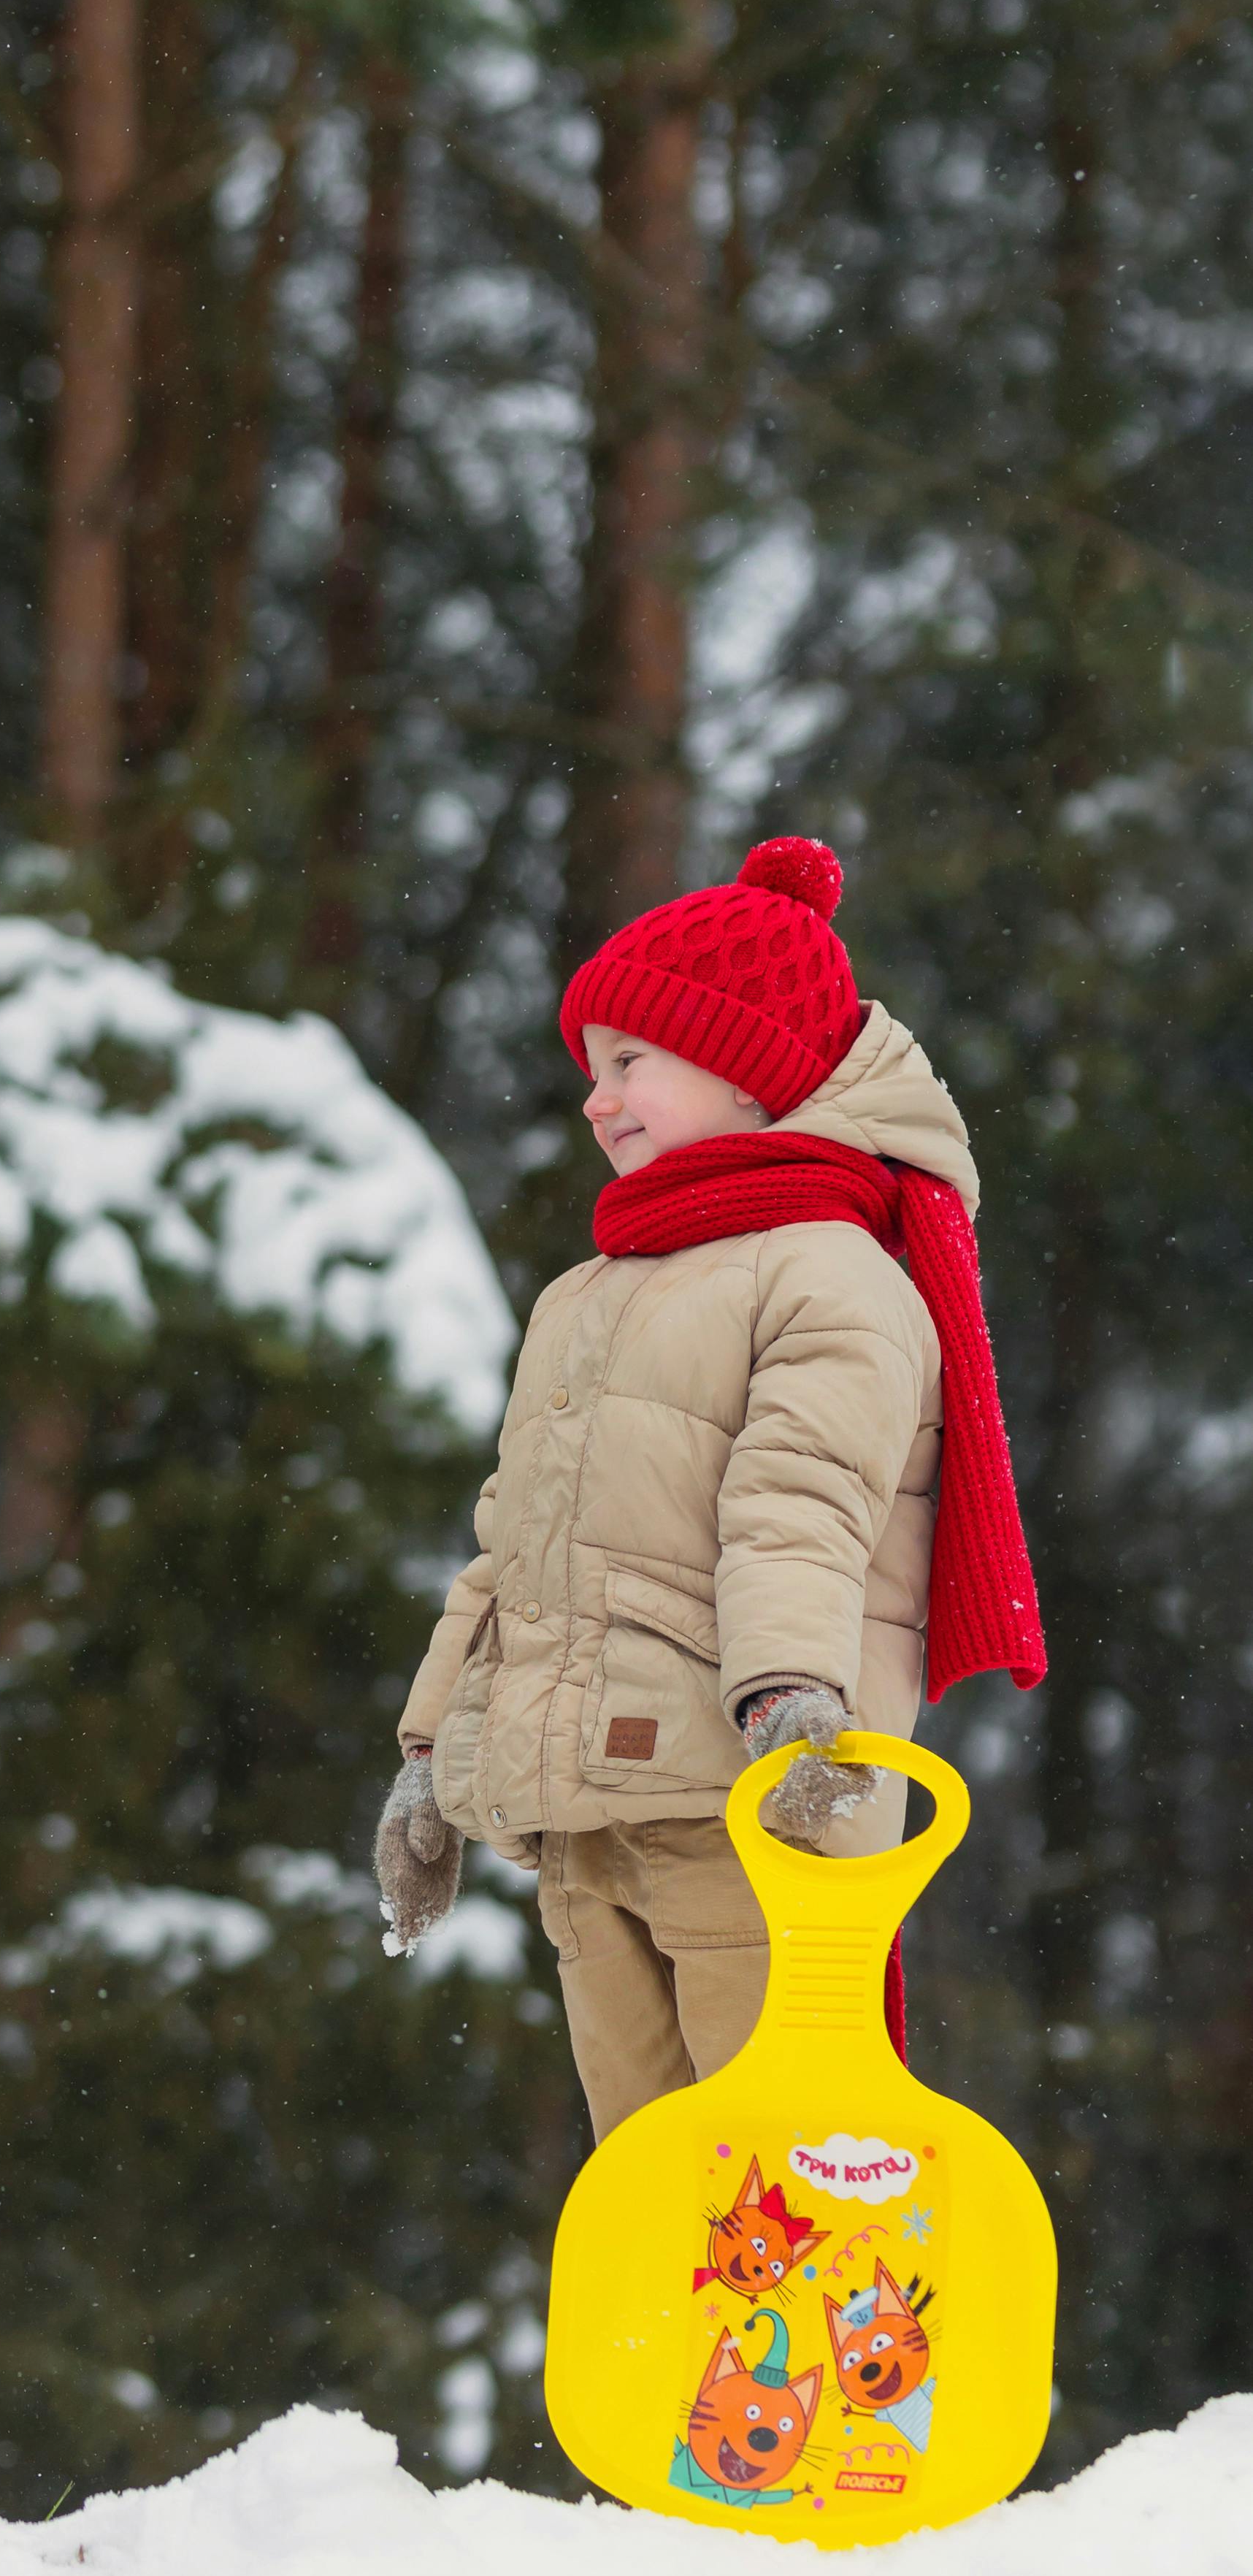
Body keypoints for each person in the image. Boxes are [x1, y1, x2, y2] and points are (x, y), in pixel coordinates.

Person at [372, 837, 1043, 2139]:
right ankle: (667, 2352)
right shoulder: (589, 1296)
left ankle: (832, 2348)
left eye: (632, 1063)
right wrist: (429, 1758)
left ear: (747, 1070)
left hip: (756, 1807)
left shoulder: (830, 1273)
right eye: (591, 1071)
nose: (598, 1100)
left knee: (780, 2182)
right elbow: (512, 1547)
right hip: (584, 1816)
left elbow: (802, 1502)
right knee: (655, 2188)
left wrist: (791, 1698)